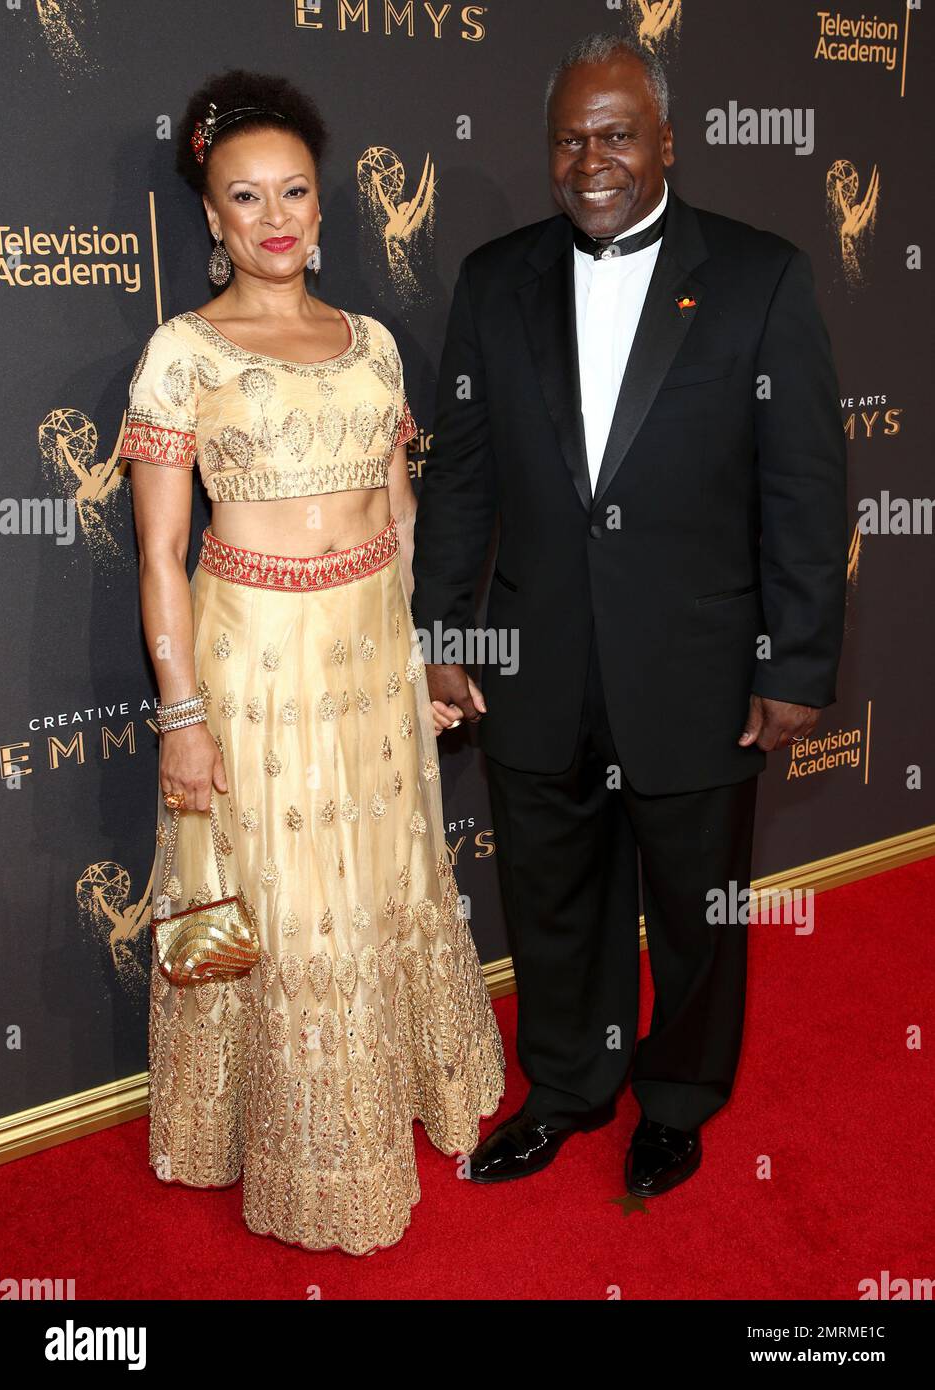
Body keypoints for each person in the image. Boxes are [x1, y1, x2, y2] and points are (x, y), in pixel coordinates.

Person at [411, 33, 847, 1197]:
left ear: (667, 141)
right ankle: (566, 1086)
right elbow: (460, 478)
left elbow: (804, 491)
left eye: (614, 134)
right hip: (536, 656)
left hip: (697, 664)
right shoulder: (494, 279)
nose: (589, 159)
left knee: (697, 908)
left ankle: (681, 1096)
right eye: (569, 139)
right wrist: (444, 632)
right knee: (552, 898)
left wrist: (795, 663)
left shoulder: (761, 276)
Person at [120, 69, 504, 1256]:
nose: (274, 216)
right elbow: (160, 555)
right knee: (282, 908)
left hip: (370, 656)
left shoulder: (373, 345)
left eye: (293, 190)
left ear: (322, 203)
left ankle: (392, 1089)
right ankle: (286, 1137)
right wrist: (182, 717)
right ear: (211, 215)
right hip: (256, 671)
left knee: (381, 884)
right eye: (246, 197)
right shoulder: (182, 354)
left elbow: (402, 516)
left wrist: (425, 658)